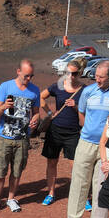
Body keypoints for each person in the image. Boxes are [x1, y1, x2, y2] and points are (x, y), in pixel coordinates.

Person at [60, 60, 109, 218]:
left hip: (107, 146)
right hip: (85, 142)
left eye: (101, 77)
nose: (98, 80)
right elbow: (82, 113)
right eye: (96, 76)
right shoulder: (88, 91)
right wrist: (88, 129)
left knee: (100, 184)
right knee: (79, 180)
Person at [0, 61, 41, 214]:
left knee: (17, 170)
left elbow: (36, 112)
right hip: (4, 137)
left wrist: (35, 120)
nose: (29, 79)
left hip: (23, 138)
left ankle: (11, 199)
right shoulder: (5, 86)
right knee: (0, 170)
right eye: (26, 76)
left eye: (31, 76)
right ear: (18, 71)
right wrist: (4, 106)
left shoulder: (35, 90)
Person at [39, 63, 84, 206]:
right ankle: (51, 193)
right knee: (52, 162)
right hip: (55, 130)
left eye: (74, 73)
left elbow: (87, 112)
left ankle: (80, 197)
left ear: (80, 73)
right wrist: (50, 113)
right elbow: (41, 97)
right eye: (68, 73)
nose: (71, 76)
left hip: (73, 132)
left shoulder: (84, 90)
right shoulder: (58, 86)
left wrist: (75, 106)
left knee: (76, 166)